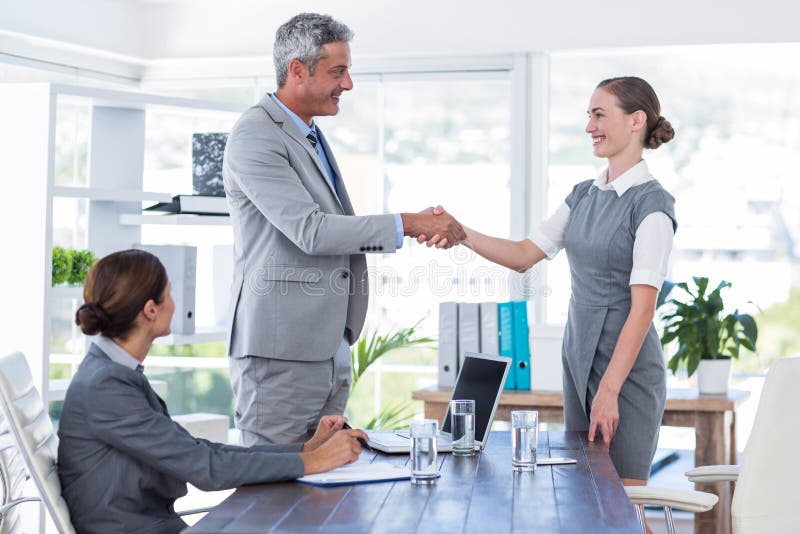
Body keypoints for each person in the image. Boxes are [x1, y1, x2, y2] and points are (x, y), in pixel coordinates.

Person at [222, 12, 465, 446]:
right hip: (280, 356)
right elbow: (312, 231)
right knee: (274, 497)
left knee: (323, 486)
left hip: (325, 348)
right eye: (338, 72)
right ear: (297, 70)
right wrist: (408, 223)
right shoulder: (255, 135)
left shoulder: (308, 133)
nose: (348, 84)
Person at [426, 77, 676, 488]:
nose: (589, 126)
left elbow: (643, 309)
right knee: (588, 500)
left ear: (636, 121)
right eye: (588, 116)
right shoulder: (583, 195)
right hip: (579, 361)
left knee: (623, 505)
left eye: (599, 115)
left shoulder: (651, 205)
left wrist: (610, 390)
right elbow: (524, 255)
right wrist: (461, 233)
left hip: (625, 374)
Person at [57, 249, 368, 534]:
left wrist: (307, 450)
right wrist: (314, 463)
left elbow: (200, 452)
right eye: (169, 294)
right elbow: (207, 468)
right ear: (150, 310)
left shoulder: (110, 374)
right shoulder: (107, 386)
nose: (175, 304)